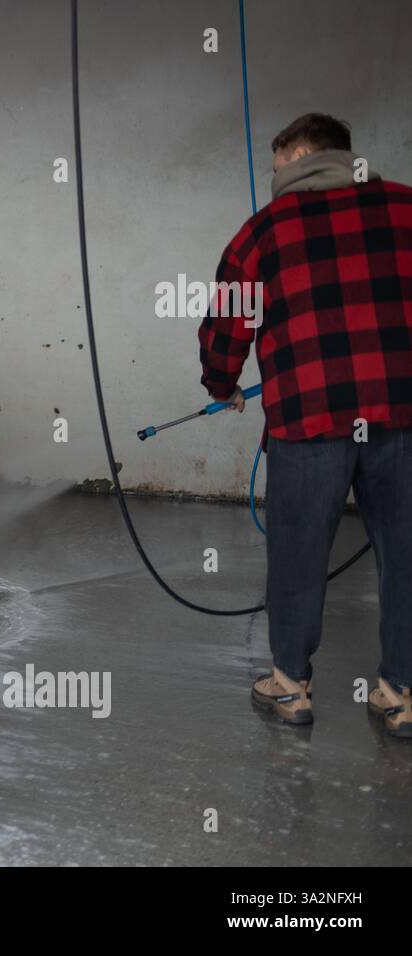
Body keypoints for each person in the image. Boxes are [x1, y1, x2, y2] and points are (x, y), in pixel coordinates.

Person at [197, 113, 412, 737]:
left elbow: (227, 323)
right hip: (401, 415)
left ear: (299, 156)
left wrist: (221, 385)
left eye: (277, 165)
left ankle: (290, 687)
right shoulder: (405, 209)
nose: (275, 177)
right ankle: (400, 694)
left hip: (309, 420)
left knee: (297, 553)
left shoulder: (264, 231)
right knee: (404, 552)